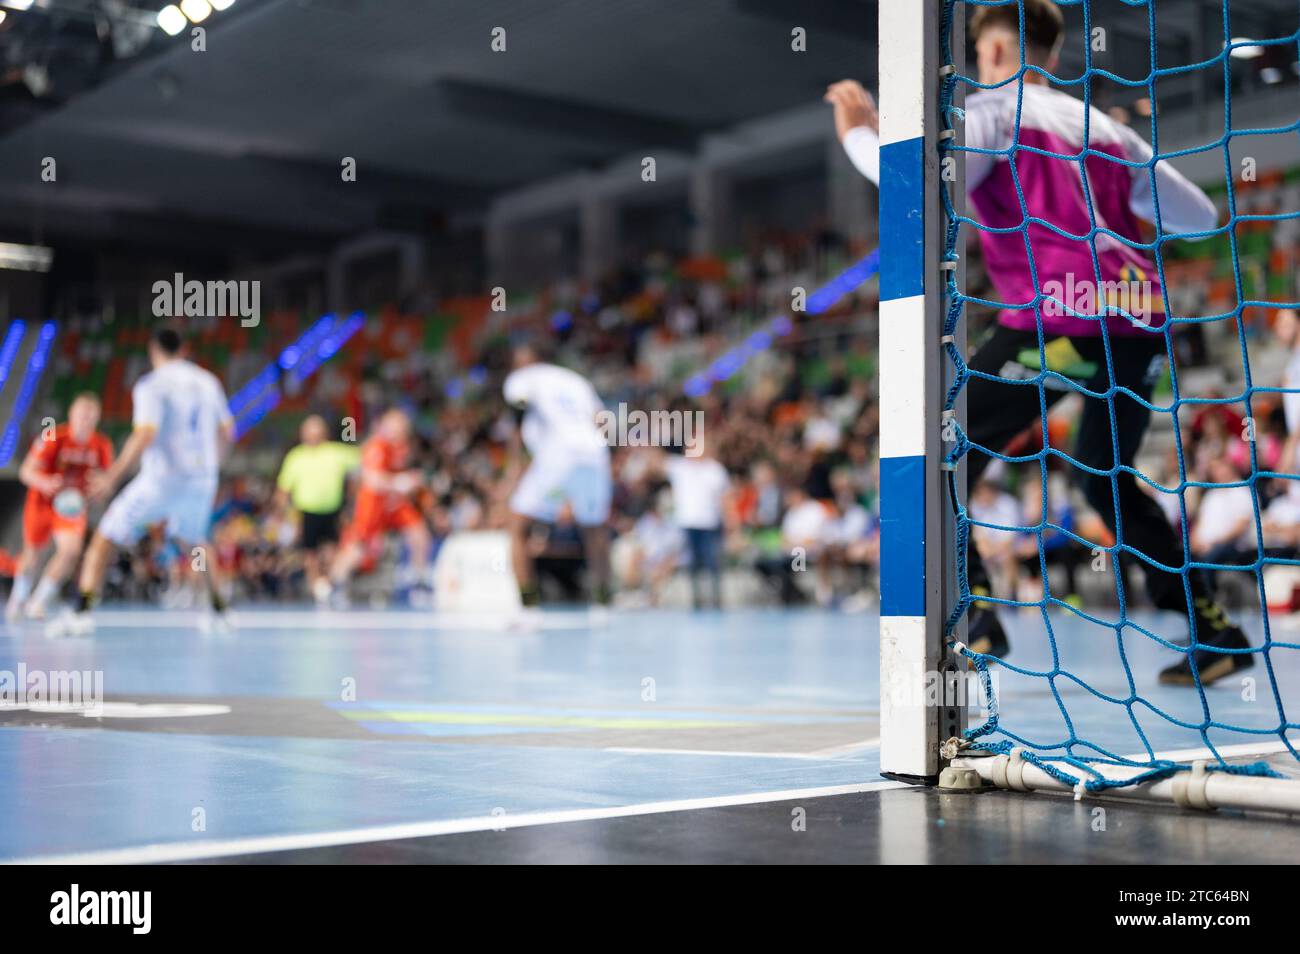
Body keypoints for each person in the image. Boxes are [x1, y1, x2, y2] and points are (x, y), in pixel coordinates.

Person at [825, 0, 1248, 685]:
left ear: (992, 53)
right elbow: (1199, 216)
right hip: (1138, 317)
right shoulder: (1108, 128)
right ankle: (1217, 632)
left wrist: (858, 133)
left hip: (1060, 316)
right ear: (1050, 53)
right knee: (1103, 478)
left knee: (939, 455)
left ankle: (978, 618)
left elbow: (914, 183)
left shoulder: (993, 113)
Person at [54, 327, 234, 636]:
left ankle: (80, 613)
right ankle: (220, 611)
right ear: (184, 350)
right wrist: (211, 468)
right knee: (196, 543)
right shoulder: (208, 381)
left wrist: (112, 476)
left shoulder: (151, 385)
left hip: (161, 479)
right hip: (202, 478)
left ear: (153, 351)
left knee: (105, 537)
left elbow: (146, 434)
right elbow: (228, 431)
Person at [502, 343, 612, 621]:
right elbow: (601, 421)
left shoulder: (522, 378)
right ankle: (602, 606)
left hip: (557, 455)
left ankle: (528, 609)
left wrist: (514, 468)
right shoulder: (576, 380)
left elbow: (518, 417)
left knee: (517, 527)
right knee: (595, 530)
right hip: (594, 454)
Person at [6, 393, 113, 622]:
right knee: (32, 554)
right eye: (82, 414)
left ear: (97, 418)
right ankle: (18, 598)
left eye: (90, 416)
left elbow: (106, 481)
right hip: (41, 501)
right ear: (71, 414)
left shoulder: (102, 445)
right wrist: (45, 482)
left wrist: (99, 489)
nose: (85, 420)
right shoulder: (52, 434)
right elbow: (26, 471)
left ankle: (39, 601)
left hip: (70, 506)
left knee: (71, 551)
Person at [323, 408, 430, 605]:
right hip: (373, 503)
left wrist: (409, 482)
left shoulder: (402, 447)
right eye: (396, 426)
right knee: (360, 546)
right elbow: (372, 480)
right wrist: (400, 482)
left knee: (418, 533)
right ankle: (334, 584)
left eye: (403, 427)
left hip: (393, 502)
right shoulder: (376, 446)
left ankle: (419, 582)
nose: (400, 430)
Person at [272, 415, 362, 602]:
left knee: (332, 548)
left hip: (333, 509)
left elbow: (359, 460)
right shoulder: (296, 456)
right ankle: (315, 587)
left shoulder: (336, 452)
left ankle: (332, 582)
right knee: (310, 551)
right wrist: (282, 514)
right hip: (307, 510)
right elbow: (283, 487)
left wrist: (354, 497)